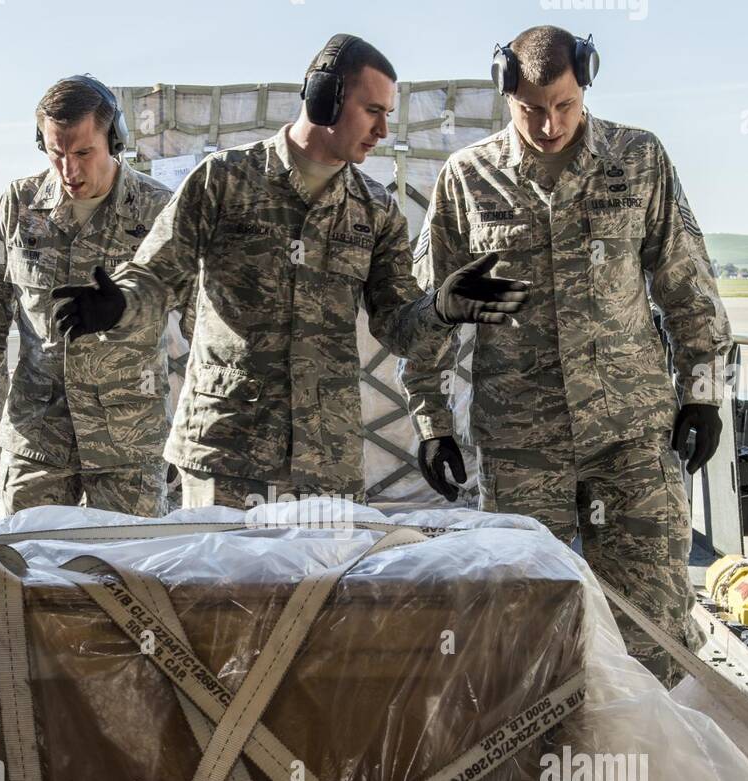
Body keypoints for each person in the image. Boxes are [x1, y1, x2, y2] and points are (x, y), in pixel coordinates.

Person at [47, 34, 528, 509]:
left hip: (326, 462)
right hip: (225, 453)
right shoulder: (224, 180)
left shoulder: (375, 209)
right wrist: (120, 304)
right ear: (325, 98)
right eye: (374, 111)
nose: (383, 130)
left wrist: (440, 308)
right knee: (216, 589)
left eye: (388, 115)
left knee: (319, 590)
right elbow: (155, 275)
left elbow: (398, 325)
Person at [401, 25, 730, 686]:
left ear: (584, 89)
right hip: (521, 443)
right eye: (531, 109)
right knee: (524, 629)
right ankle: (541, 780)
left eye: (564, 106)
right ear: (505, 96)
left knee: (655, 626)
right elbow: (431, 310)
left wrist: (703, 391)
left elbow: (686, 283)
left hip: (632, 436)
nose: (549, 125)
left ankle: (657, 777)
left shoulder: (638, 159)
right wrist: (431, 423)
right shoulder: (468, 178)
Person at [0, 75, 173, 516]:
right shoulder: (20, 206)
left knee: (130, 575)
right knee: (24, 572)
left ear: (115, 141)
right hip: (37, 439)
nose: (70, 171)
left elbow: (203, 318)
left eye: (84, 152)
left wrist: (186, 433)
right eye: (56, 154)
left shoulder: (159, 209)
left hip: (129, 444)